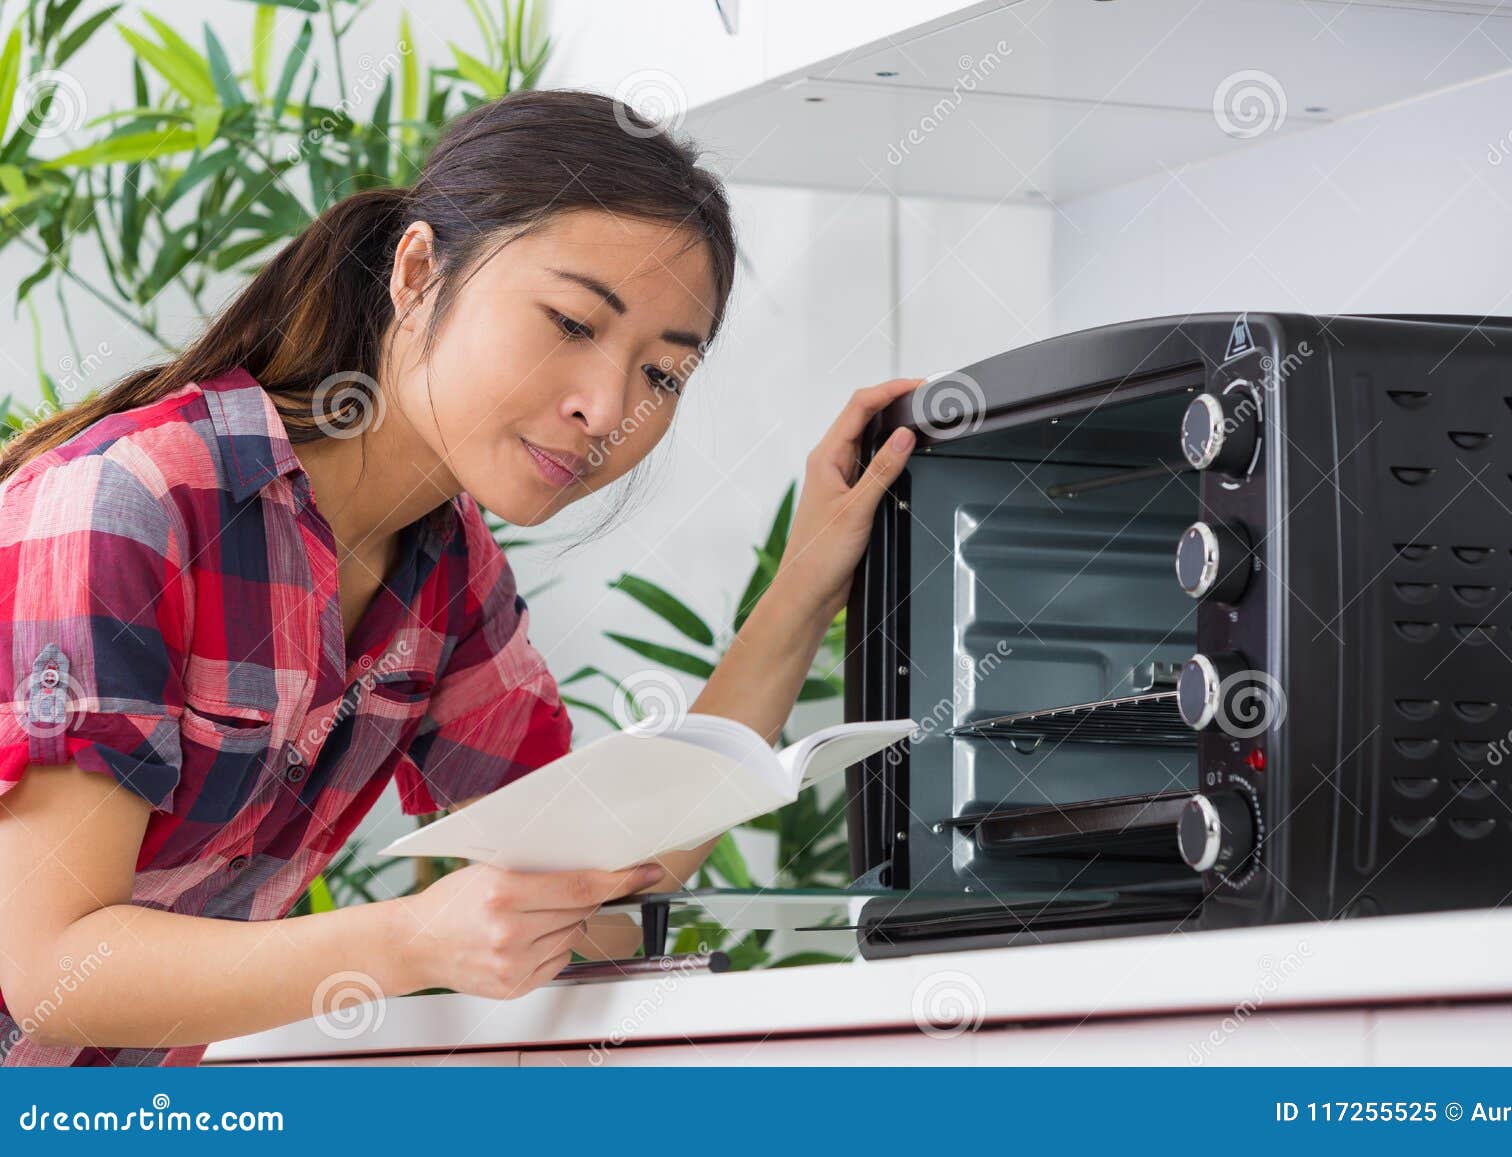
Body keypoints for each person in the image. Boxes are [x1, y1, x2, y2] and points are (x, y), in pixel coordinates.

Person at [0, 88, 919, 1066]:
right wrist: (412, 939)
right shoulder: (130, 502)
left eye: (661, 375)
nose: (605, 405)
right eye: (571, 322)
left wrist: (807, 581)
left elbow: (603, 874)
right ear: (417, 272)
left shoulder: (448, 575)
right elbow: (53, 969)